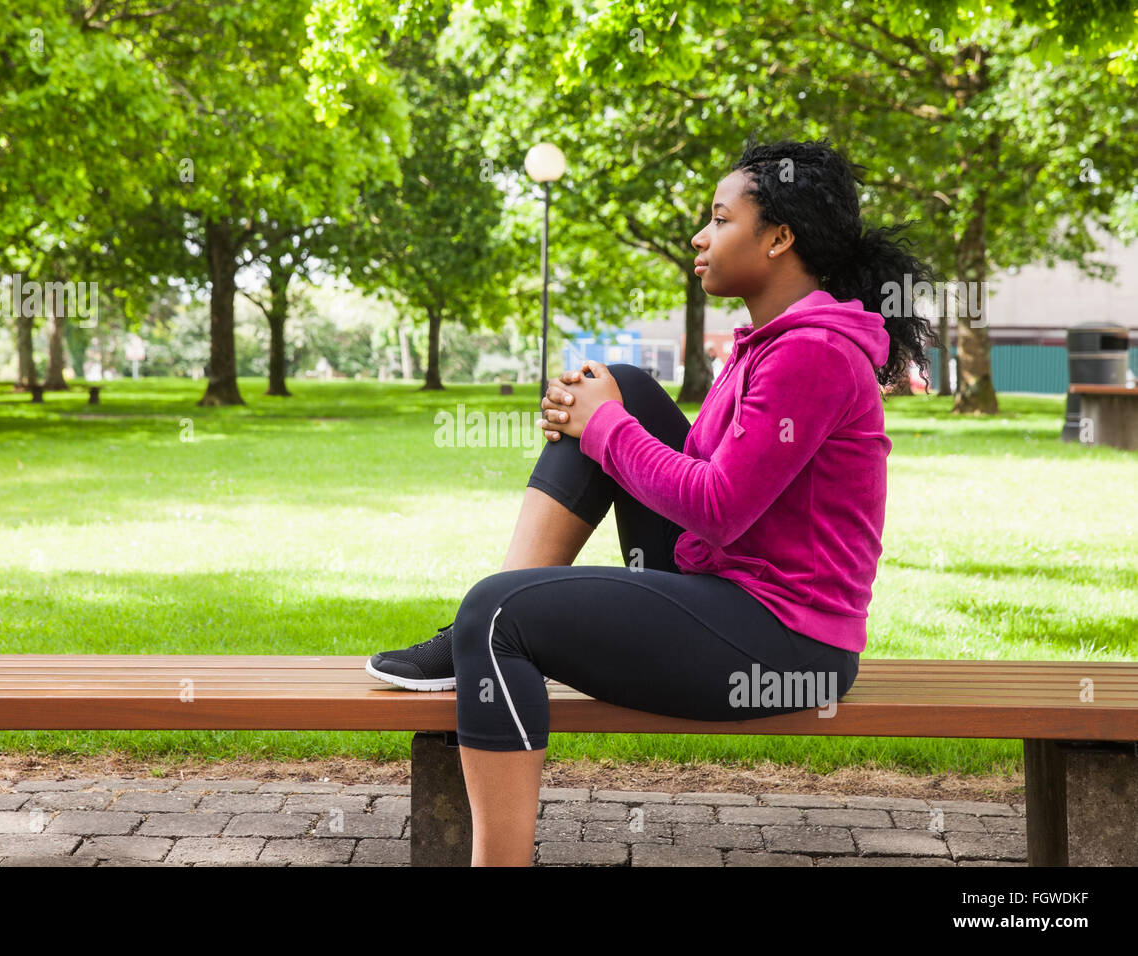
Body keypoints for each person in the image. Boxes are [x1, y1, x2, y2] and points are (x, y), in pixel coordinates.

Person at [365, 136, 936, 866]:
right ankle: (468, 638)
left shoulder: (812, 354)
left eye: (721, 220)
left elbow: (719, 504)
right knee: (626, 383)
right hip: (733, 587)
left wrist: (602, 427)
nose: (701, 236)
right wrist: (602, 415)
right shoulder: (772, 343)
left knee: (498, 614)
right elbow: (695, 474)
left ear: (779, 237)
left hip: (789, 642)